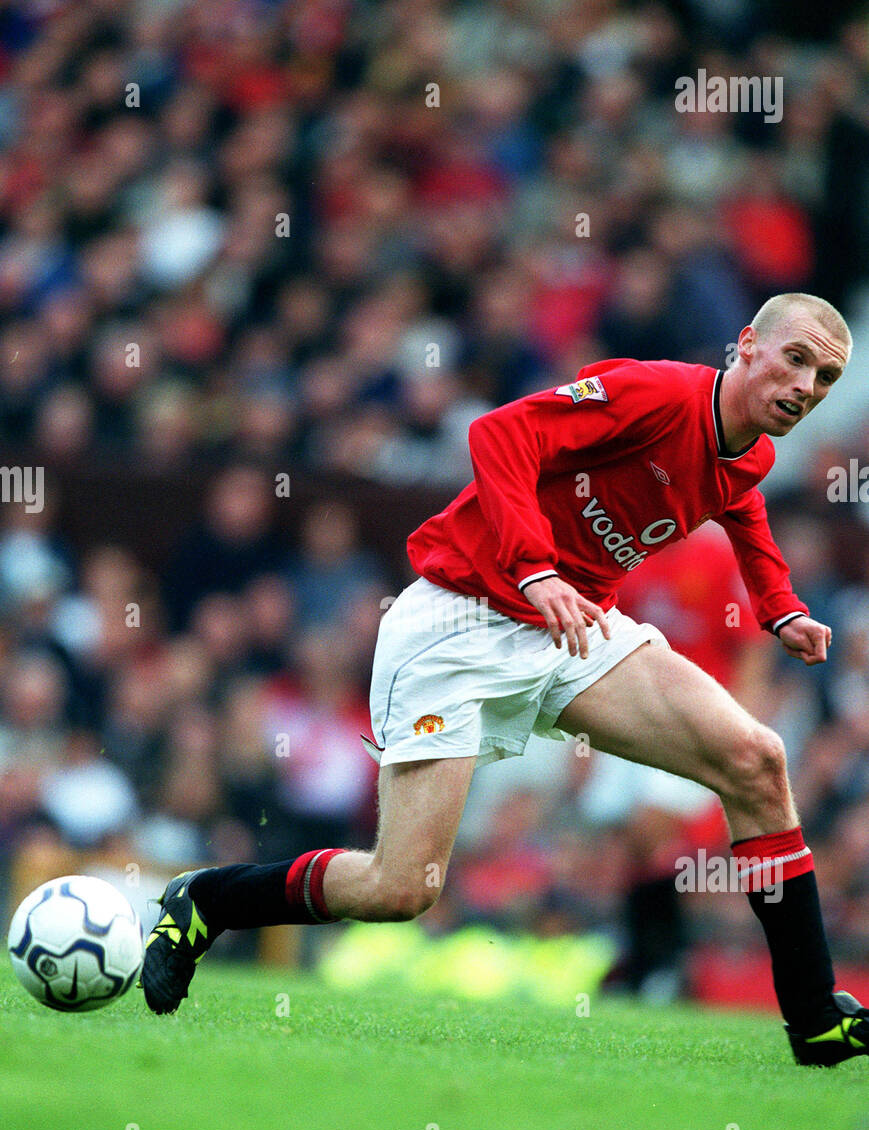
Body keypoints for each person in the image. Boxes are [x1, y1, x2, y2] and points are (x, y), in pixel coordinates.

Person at [141, 291, 869, 1067]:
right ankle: (210, 899)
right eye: (795, 360)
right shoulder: (656, 390)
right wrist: (533, 570)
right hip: (462, 621)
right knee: (401, 889)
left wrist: (779, 607)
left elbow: (741, 506)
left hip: (575, 626)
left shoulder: (750, 450)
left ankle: (813, 1018)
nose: (805, 387)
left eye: (825, 378)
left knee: (756, 761)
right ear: (746, 345)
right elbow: (497, 433)